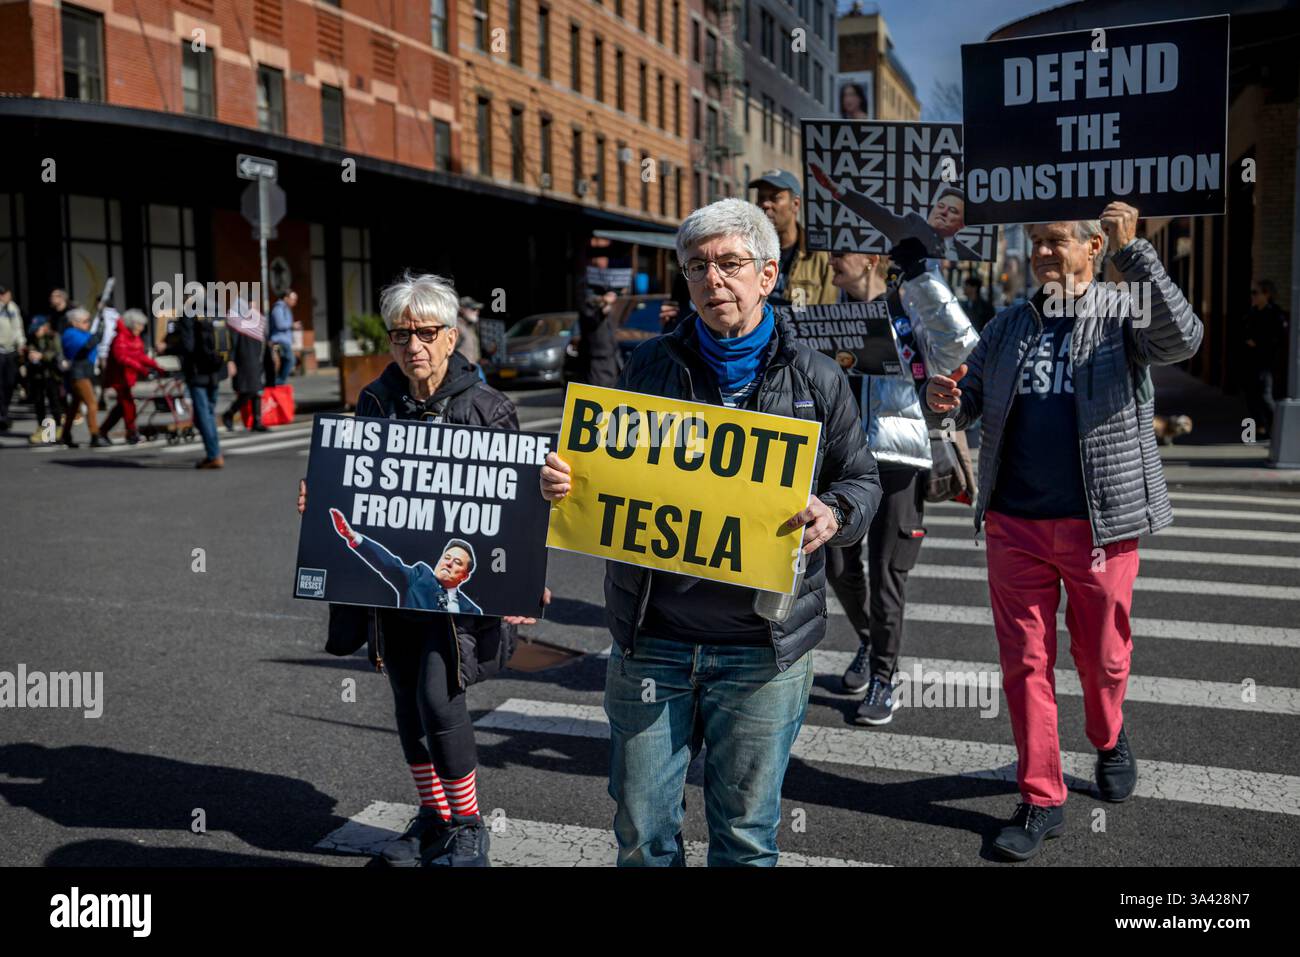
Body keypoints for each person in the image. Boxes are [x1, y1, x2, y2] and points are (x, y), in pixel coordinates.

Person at [540, 199, 882, 866]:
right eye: (697, 267)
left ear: (768, 274)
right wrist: (563, 481)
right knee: (641, 834)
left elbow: (863, 480)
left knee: (746, 838)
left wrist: (835, 511)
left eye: (730, 263)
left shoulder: (817, 376)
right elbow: (597, 469)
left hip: (761, 649)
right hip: (653, 641)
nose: (713, 279)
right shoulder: (646, 368)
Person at [925, 202, 1203, 862]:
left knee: (1102, 655)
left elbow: (1181, 340)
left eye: (1056, 243)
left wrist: (1135, 255)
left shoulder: (1119, 312)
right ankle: (1041, 795)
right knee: (1025, 663)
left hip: (1101, 522)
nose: (1043, 254)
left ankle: (1108, 736)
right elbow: (975, 395)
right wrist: (948, 398)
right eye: (1036, 243)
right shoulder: (1009, 324)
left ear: (1088, 246)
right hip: (1015, 522)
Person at [298, 272, 540, 868]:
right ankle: (434, 815)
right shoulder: (375, 400)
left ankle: (468, 825)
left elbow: (515, 508)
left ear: (452, 336)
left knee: (440, 697)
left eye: (427, 333)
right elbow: (357, 487)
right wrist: (320, 495)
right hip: (398, 593)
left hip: (459, 598)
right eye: (402, 334)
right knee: (406, 698)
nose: (415, 346)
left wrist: (523, 577)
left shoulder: (489, 408)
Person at [826, 239, 978, 722]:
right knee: (836, 565)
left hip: (898, 456)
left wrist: (919, 275)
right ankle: (871, 640)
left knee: (888, 572)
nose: (830, 258)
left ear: (871, 260)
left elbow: (960, 341)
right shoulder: (829, 315)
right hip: (840, 460)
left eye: (840, 251)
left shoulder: (908, 308)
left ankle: (883, 677)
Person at [809, 163, 980, 262]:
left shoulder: (969, 255)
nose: (943, 213)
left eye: (952, 211)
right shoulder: (913, 225)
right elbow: (877, 214)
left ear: (962, 223)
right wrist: (837, 190)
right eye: (941, 206)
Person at [328, 524, 485, 615]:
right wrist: (353, 537)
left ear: (465, 576)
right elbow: (389, 565)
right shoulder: (419, 577)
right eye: (447, 558)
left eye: (457, 562)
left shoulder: (472, 611)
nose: (449, 563)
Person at [749, 169, 837, 308]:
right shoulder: (748, 252)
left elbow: (829, 313)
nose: (765, 204)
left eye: (774, 197)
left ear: (795, 204)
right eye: (761, 198)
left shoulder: (820, 256)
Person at [173, 307, 229, 468]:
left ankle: (214, 454)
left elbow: (188, 346)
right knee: (209, 413)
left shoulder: (188, 315)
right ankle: (214, 452)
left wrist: (170, 346)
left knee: (203, 415)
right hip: (215, 370)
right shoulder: (215, 312)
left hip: (198, 372)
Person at [100, 309, 162, 444]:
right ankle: (131, 433)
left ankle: (104, 431)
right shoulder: (120, 337)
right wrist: (141, 369)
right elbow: (121, 358)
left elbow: (140, 355)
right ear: (132, 324)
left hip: (128, 377)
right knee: (128, 405)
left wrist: (157, 366)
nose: (142, 328)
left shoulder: (135, 337)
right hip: (118, 378)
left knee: (122, 407)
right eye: (140, 325)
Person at [1241, 278, 1289, 439]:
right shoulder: (1252, 313)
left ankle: (1279, 429)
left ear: (1266, 294)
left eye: (1255, 292)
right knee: (1250, 396)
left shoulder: (1275, 314)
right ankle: (1258, 429)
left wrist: (1259, 342)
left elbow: (1280, 338)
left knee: (1265, 395)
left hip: (1267, 362)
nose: (1252, 296)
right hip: (1250, 361)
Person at [59, 307, 107, 448]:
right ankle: (94, 435)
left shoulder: (82, 332)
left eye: (89, 321)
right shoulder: (70, 334)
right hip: (78, 374)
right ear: (74, 322)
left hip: (85, 372)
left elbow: (93, 340)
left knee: (74, 407)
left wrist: (101, 325)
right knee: (92, 404)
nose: (88, 324)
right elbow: (84, 347)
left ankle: (65, 434)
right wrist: (97, 335)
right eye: (85, 321)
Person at [222, 300, 269, 434]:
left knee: (257, 390)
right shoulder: (237, 322)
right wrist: (230, 361)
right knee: (250, 390)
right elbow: (231, 343)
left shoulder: (258, 322)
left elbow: (265, 341)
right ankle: (230, 413)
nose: (253, 309)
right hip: (243, 361)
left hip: (257, 358)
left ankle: (257, 421)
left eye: (254, 305)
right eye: (250, 305)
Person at [24, 316, 64, 445]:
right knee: (38, 403)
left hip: (51, 374)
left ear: (45, 327)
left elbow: (57, 353)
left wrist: (42, 356)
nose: (36, 332)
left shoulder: (53, 336)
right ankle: (43, 429)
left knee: (54, 402)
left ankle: (58, 428)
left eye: (38, 329)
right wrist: (28, 353)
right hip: (37, 375)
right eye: (34, 330)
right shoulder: (32, 338)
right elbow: (28, 348)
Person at [575, 285, 623, 387]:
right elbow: (590, 319)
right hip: (596, 360)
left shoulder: (609, 308)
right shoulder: (588, 303)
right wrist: (602, 306)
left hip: (610, 357)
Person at [0, 285, 24, 431]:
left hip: (11, 350)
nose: (8, 297)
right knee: (0, 384)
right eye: (5, 295)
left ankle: (5, 409)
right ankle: (3, 414)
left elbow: (17, 327)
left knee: (10, 382)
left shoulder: (13, 308)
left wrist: (21, 343)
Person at [269, 289, 297, 385]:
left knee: (285, 362)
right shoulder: (278, 308)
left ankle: (277, 382)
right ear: (285, 298)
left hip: (284, 340)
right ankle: (278, 382)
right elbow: (280, 324)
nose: (294, 302)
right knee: (290, 360)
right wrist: (292, 325)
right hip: (279, 340)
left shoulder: (285, 308)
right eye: (293, 299)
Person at [456, 296, 483, 366]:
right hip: (463, 370)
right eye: (473, 309)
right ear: (462, 310)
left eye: (477, 309)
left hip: (473, 367)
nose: (477, 312)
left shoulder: (470, 327)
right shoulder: (456, 327)